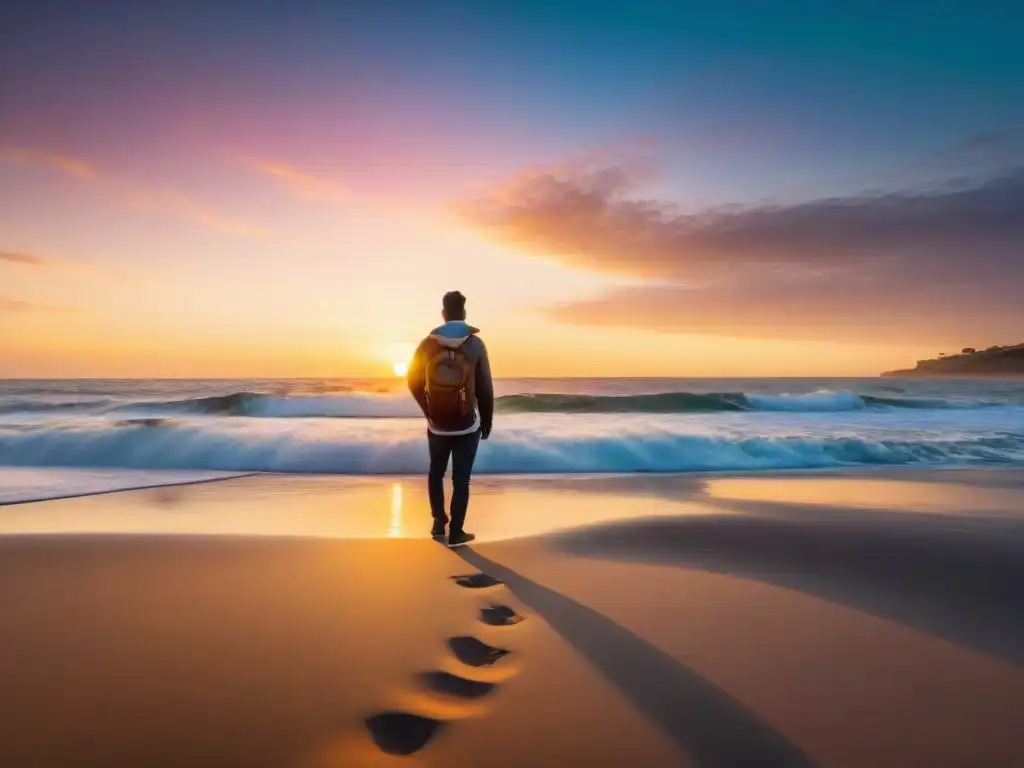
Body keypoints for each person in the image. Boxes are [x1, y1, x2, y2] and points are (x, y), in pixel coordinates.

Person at [406, 291, 493, 546]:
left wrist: (428, 409)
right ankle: (456, 531)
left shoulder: (428, 344)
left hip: (438, 424)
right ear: (464, 313)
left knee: (436, 472)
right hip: (467, 424)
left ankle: (437, 523)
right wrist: (487, 420)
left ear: (443, 314)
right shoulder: (475, 344)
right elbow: (485, 386)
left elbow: (412, 381)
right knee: (461, 478)